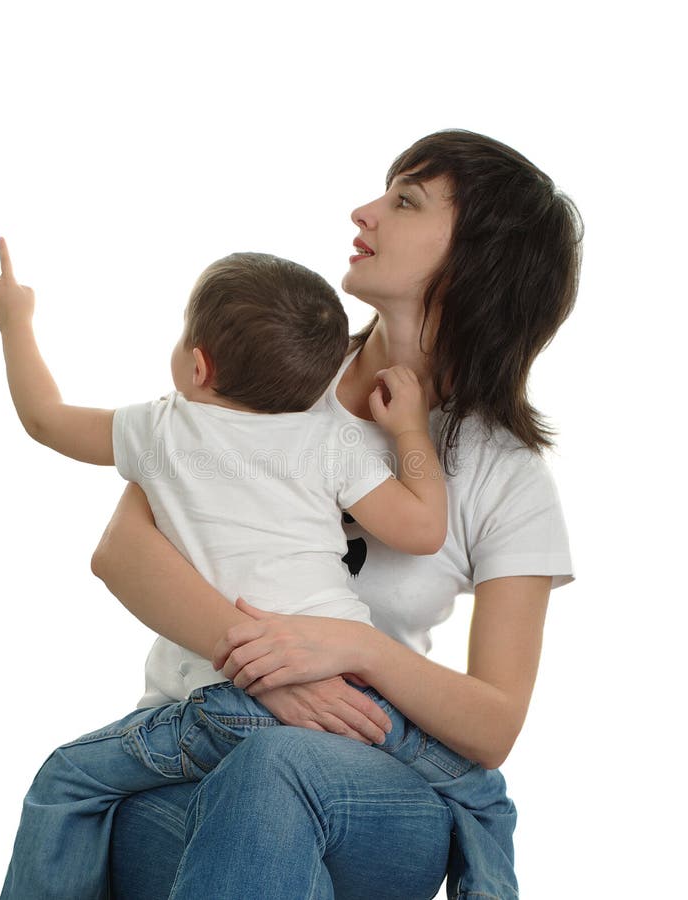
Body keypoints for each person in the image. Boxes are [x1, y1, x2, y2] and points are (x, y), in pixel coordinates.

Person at [90, 129, 583, 900]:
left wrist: (356, 650)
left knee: (272, 771)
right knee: (204, 824)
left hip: (377, 792)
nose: (363, 212)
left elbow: (492, 726)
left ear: (478, 261)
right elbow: (122, 550)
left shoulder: (505, 477)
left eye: (404, 200)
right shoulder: (277, 374)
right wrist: (267, 682)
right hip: (194, 751)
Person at [0, 244, 514, 899]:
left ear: (197, 366)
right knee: (473, 783)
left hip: (228, 708)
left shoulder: (163, 431)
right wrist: (409, 430)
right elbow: (422, 527)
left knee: (65, 780)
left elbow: (44, 419)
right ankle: (482, 839)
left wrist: (14, 321)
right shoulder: (329, 442)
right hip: (357, 695)